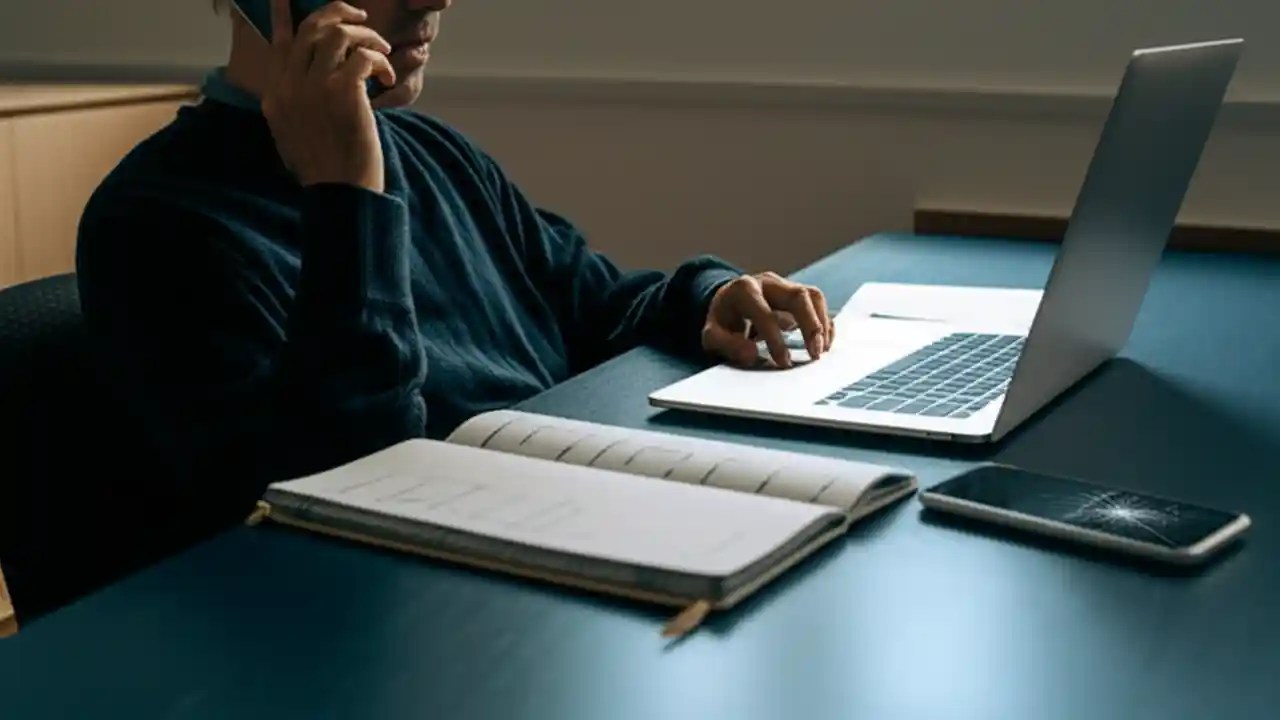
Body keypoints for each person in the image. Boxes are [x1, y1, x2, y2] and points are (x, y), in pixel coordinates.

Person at [75, 0, 836, 529]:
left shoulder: (435, 154)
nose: (434, 0)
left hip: (561, 533)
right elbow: (347, 488)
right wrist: (345, 199)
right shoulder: (157, 227)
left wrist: (707, 298)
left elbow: (596, 305)